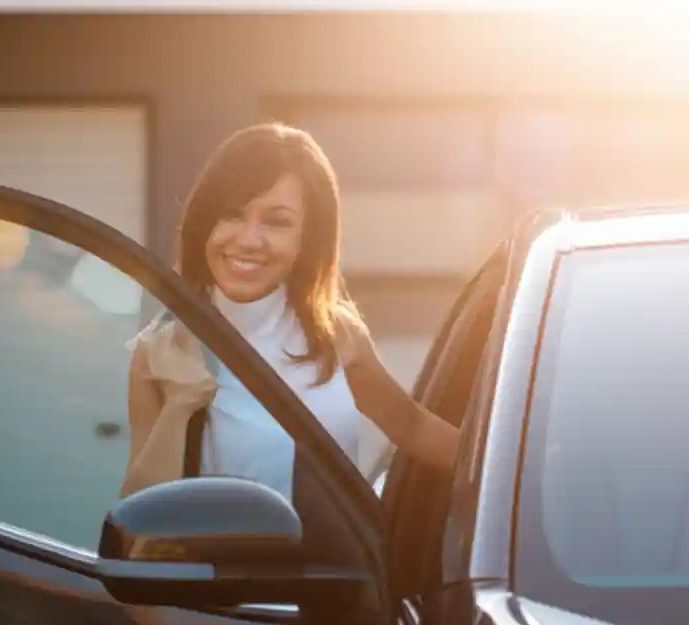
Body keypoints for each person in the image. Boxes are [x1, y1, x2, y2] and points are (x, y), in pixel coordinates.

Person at [121, 123, 459, 500]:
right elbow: (139, 525)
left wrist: (525, 482)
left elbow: (413, 428)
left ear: (307, 239)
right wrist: (179, 405)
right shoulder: (159, 351)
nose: (248, 240)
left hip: (335, 559)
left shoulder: (336, 334)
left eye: (277, 222)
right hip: (224, 560)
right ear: (205, 223)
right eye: (231, 214)